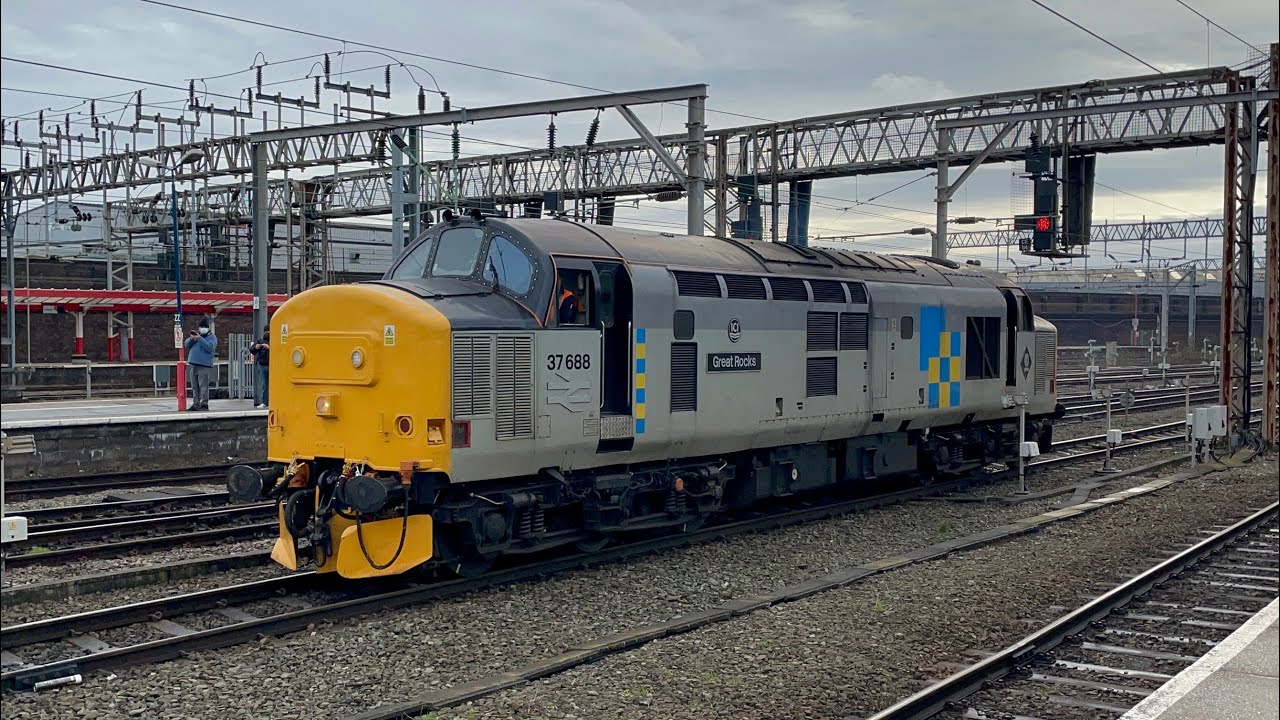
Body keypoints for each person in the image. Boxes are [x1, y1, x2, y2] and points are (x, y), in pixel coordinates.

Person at [184, 318, 217, 411]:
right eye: (201, 327)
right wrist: (191, 339)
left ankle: (204, 404)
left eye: (204, 327)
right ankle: (196, 403)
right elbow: (186, 345)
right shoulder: (196, 336)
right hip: (193, 364)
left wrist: (200, 339)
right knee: (194, 386)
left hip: (204, 365)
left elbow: (209, 347)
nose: (202, 329)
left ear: (208, 328)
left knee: (203, 386)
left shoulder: (212, 337)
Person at [248, 325, 270, 408]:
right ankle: (265, 402)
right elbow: (251, 349)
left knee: (271, 384)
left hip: (272, 364)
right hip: (263, 364)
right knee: (264, 384)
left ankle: (271, 401)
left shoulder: (275, 339)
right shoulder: (260, 340)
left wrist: (269, 348)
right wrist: (257, 347)